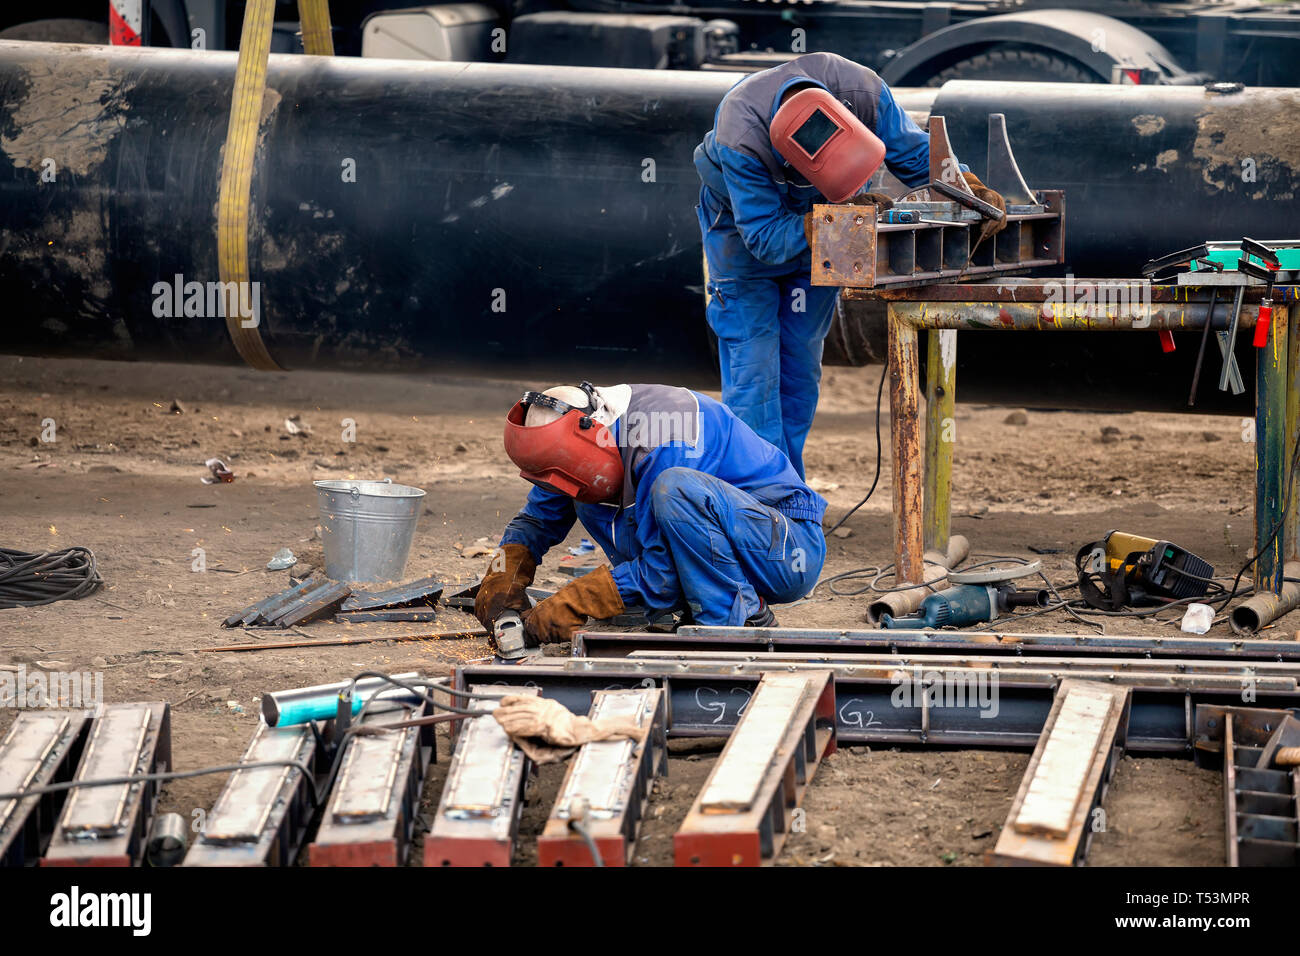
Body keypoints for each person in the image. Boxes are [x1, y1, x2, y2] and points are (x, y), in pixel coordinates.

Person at [695, 51, 1005, 477]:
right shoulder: (740, 132)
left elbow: (918, 160)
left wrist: (968, 190)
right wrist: (832, 222)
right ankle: (757, 504)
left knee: (798, 373)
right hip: (744, 236)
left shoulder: (862, 90)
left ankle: (786, 493)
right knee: (755, 376)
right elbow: (764, 238)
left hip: (824, 229)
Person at [473, 382, 827, 647]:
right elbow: (536, 520)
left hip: (784, 551)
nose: (568, 489)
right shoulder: (581, 432)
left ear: (595, 434)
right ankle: (709, 609)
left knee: (674, 489)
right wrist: (502, 578)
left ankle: (739, 622)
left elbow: (665, 570)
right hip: (726, 553)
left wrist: (578, 600)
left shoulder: (666, 433)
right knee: (594, 495)